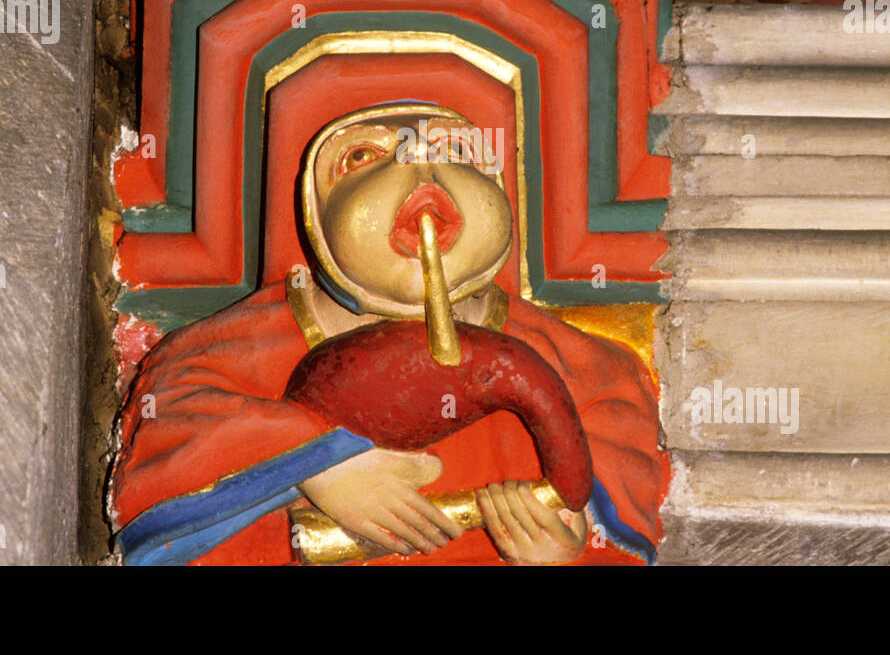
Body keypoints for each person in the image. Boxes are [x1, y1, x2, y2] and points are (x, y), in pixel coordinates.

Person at [110, 103, 666, 565]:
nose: (421, 169)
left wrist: (566, 553)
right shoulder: (222, 353)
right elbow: (164, 460)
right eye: (362, 157)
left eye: (456, 153)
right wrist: (313, 467)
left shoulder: (589, 371)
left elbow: (619, 507)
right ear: (314, 211)